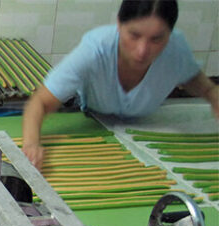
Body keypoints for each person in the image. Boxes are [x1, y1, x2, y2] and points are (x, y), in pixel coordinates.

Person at [22, 0, 219, 169]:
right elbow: (40, 102)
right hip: (93, 128)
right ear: (119, 24)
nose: (142, 50)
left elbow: (197, 81)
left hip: (145, 135)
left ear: (170, 34)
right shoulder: (95, 49)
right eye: (134, 35)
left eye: (156, 39)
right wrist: (31, 144)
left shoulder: (176, 50)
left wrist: (213, 94)